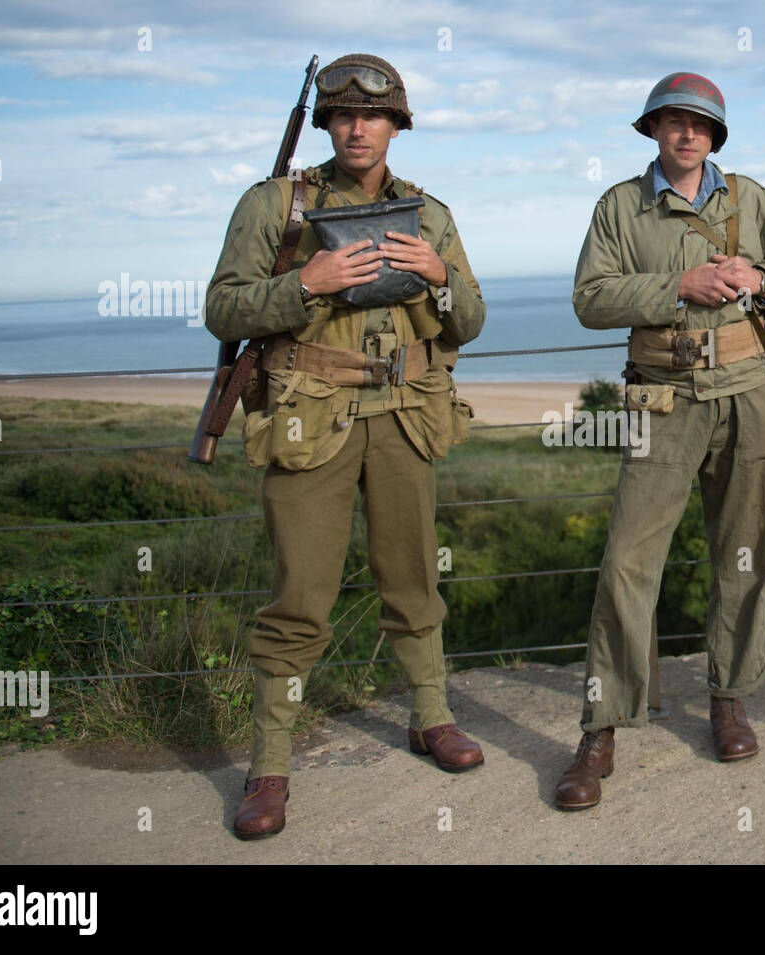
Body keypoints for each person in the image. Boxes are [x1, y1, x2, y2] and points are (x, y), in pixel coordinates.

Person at [205, 53, 487, 840]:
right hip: (309, 412)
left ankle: (430, 717)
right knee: (300, 596)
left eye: (375, 115)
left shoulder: (429, 214)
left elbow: (469, 319)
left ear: (397, 124)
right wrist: (308, 282)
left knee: (412, 578)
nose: (359, 127)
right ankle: (270, 764)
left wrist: (436, 277)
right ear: (328, 123)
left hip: (405, 411)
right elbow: (223, 310)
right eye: (343, 115)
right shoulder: (277, 206)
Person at [555, 72, 765, 811]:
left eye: (699, 124)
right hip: (662, 400)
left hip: (748, 398)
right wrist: (679, 284)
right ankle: (602, 725)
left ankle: (729, 698)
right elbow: (589, 298)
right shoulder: (619, 206)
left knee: (746, 551)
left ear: (714, 136)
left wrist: (758, 278)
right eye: (673, 121)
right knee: (627, 565)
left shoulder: (753, 200)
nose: (686, 134)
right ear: (653, 130)